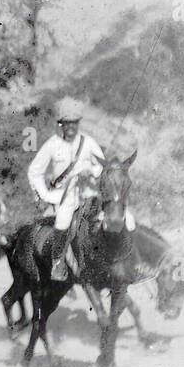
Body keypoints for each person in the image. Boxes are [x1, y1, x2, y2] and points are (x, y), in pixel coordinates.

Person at [27, 97, 119, 280]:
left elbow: (102, 166)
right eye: (67, 123)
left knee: (114, 212)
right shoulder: (52, 144)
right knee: (63, 221)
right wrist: (45, 194)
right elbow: (34, 171)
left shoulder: (88, 142)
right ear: (61, 124)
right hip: (65, 195)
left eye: (74, 123)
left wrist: (90, 170)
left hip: (90, 191)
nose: (71, 127)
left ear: (78, 124)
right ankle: (58, 262)